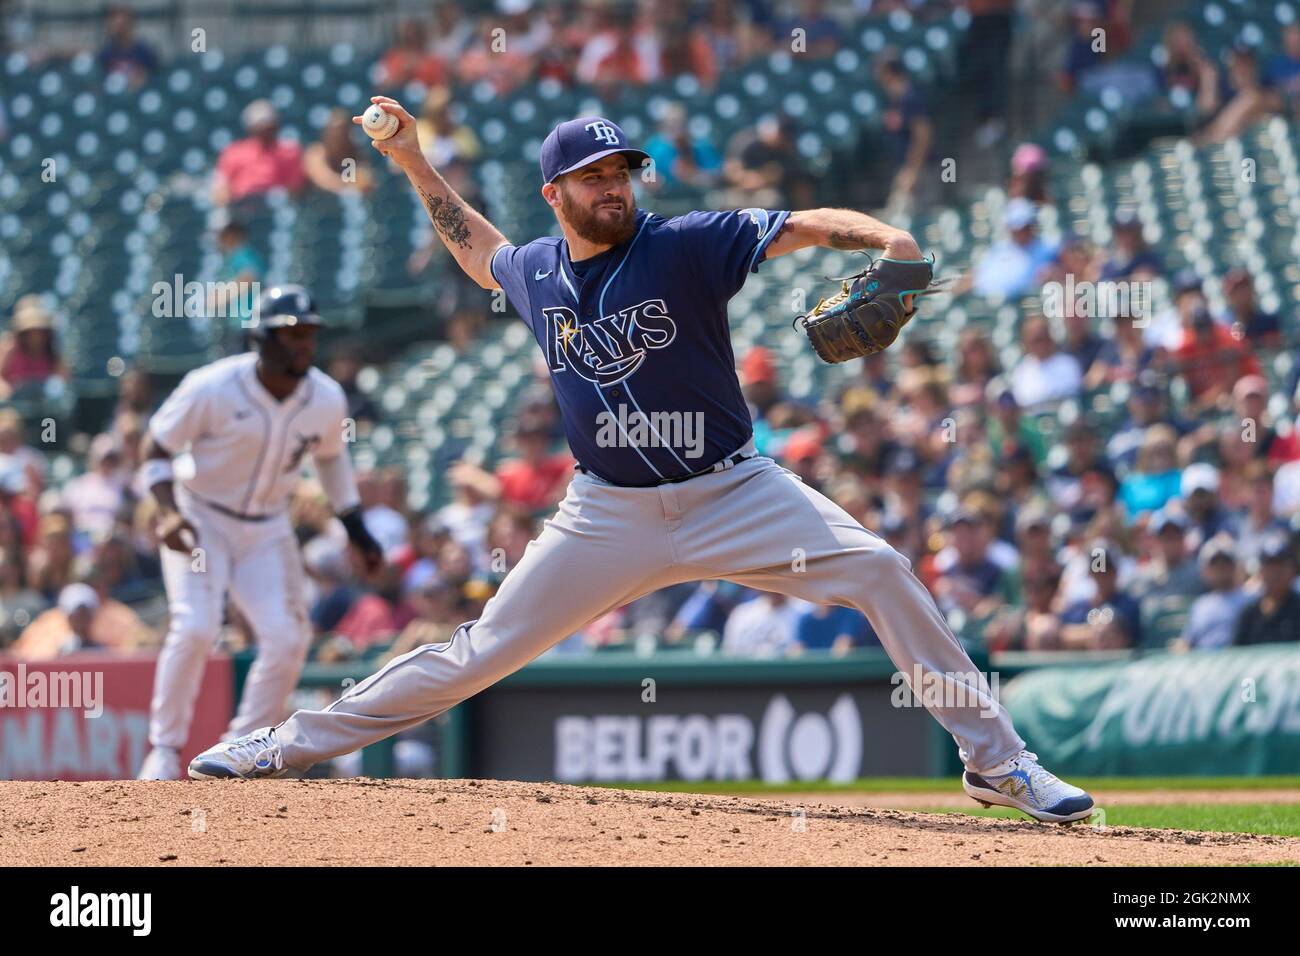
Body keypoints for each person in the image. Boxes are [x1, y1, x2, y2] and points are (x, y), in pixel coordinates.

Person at [188, 102, 1096, 824]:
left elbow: (805, 225)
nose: (614, 187)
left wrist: (892, 244)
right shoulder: (536, 271)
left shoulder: (688, 242)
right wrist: (414, 163)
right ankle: (281, 744)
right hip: (607, 514)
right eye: (593, 177)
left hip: (735, 489)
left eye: (622, 171)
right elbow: (476, 246)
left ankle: (997, 763)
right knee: (476, 654)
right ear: (556, 193)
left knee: (883, 572)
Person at [134, 285, 383, 781]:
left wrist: (354, 526)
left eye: (309, 331)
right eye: (290, 333)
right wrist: (166, 511)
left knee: (289, 636)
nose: (303, 342)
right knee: (197, 626)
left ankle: (238, 748)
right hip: (200, 515)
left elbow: (332, 458)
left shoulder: (326, 397)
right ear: (259, 338)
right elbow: (156, 448)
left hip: (268, 527)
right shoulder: (212, 386)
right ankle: (163, 751)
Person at [212, 100, 305, 206]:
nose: (266, 132)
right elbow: (220, 190)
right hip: (242, 210)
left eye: (270, 127)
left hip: (277, 207)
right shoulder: (233, 152)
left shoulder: (291, 152)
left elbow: (296, 188)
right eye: (261, 127)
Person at [1182, 535, 1248, 650]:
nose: (1220, 568)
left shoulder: (1249, 600)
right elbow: (1187, 643)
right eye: (1215, 564)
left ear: (1235, 565)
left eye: (1226, 562)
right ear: (1205, 570)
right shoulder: (1200, 605)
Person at [1233, 533, 1300, 645]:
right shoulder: (1249, 613)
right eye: (1269, 566)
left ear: (1292, 570)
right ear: (1260, 572)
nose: (1274, 573)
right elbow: (1236, 655)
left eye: (1280, 565)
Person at [0, 297, 69, 399]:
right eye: (31, 331)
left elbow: (64, 381)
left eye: (40, 331)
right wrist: (7, 391)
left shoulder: (53, 353)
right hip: (14, 405)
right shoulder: (9, 349)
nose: (36, 336)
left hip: (44, 406)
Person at [97, 5, 158, 86]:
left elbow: (154, 78)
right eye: (114, 24)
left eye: (121, 25)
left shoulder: (144, 51)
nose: (117, 28)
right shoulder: (106, 53)